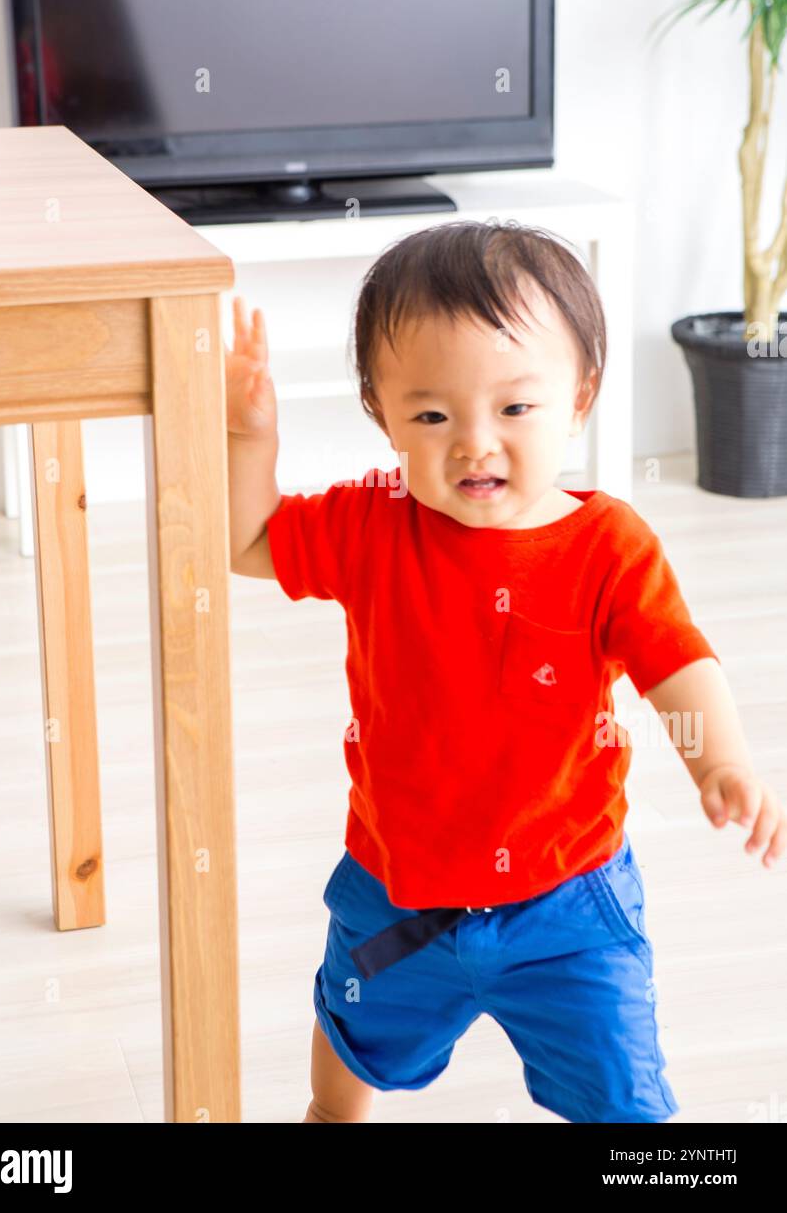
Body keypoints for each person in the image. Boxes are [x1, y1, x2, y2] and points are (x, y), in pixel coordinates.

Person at [225, 219, 786, 1124]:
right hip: (396, 893)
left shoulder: (608, 547)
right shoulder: (373, 523)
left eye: (515, 409)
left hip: (568, 903)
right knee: (352, 1036)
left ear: (580, 397)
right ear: (382, 412)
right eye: (432, 414)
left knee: (627, 1105)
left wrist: (721, 763)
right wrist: (250, 440)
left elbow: (676, 661)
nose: (475, 442)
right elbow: (248, 541)